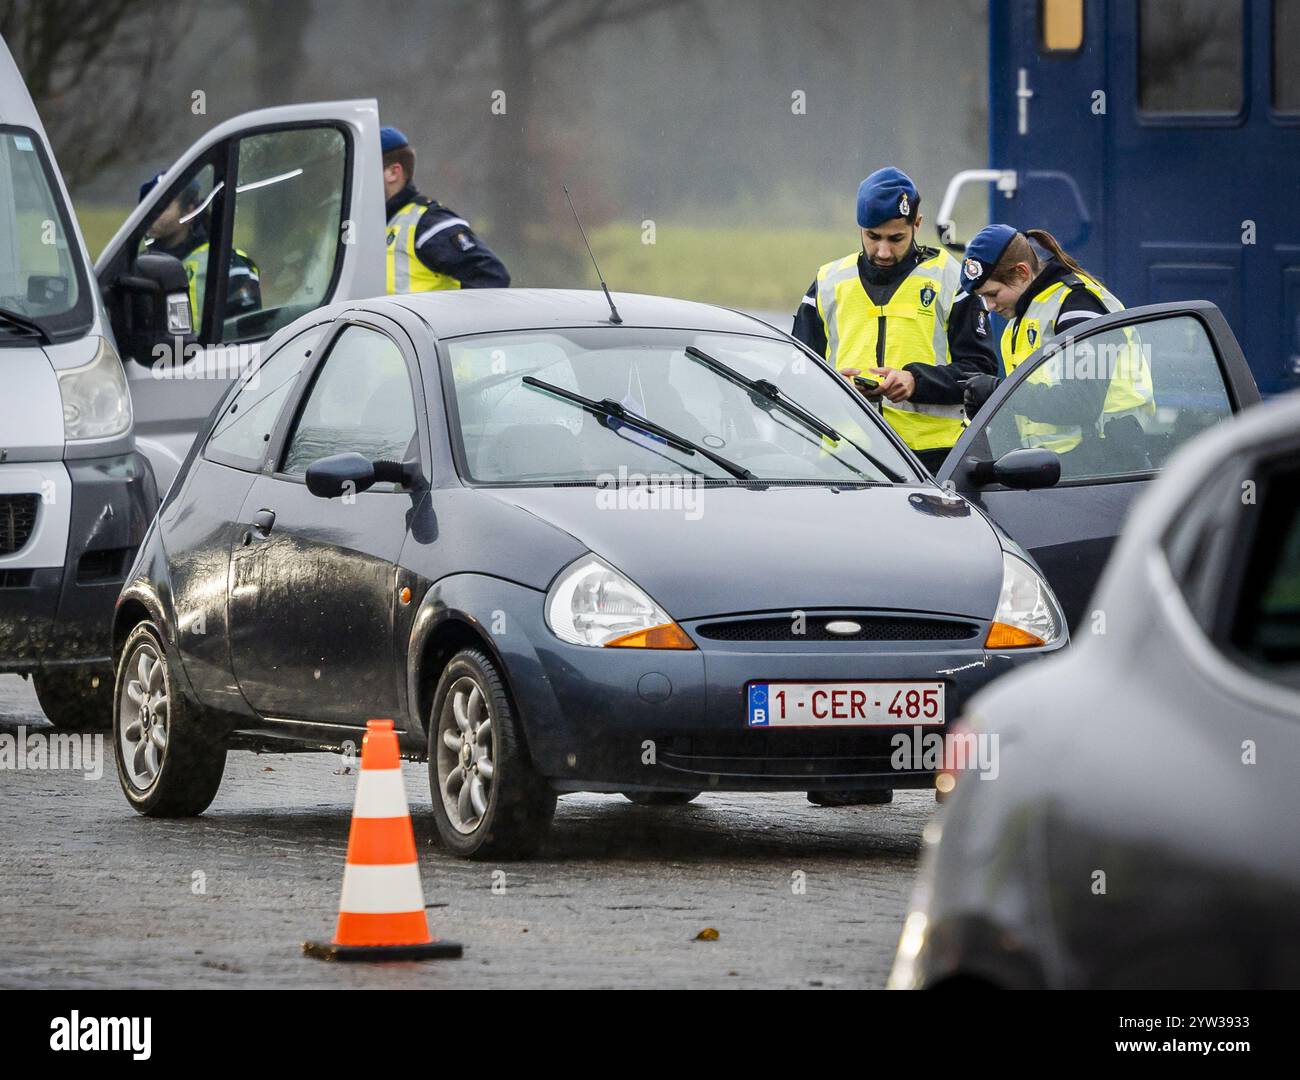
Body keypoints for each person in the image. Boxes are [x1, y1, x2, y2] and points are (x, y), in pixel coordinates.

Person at [793, 167, 998, 476]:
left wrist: (917, 382)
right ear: (860, 227)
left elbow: (981, 373)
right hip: (846, 459)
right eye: (872, 237)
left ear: (917, 224)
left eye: (896, 238)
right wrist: (838, 387)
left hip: (933, 461)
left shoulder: (951, 279)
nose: (883, 251)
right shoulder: (828, 281)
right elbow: (797, 371)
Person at [958, 224, 1154, 460]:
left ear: (1022, 272)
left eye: (993, 294)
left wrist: (1000, 394)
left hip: (1106, 460)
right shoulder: (1019, 321)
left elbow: (1083, 402)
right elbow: (1030, 410)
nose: (989, 306)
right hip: (1059, 465)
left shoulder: (1078, 304)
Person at [381, 126, 510, 292]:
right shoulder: (384, 221)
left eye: (367, 170)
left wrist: (452, 318)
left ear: (393, 172)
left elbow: (492, 276)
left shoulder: (428, 223)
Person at [138, 173, 261, 322]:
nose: (152, 214)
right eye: (148, 206)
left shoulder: (223, 262)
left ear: (189, 210)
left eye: (162, 206)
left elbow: (245, 331)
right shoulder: (141, 264)